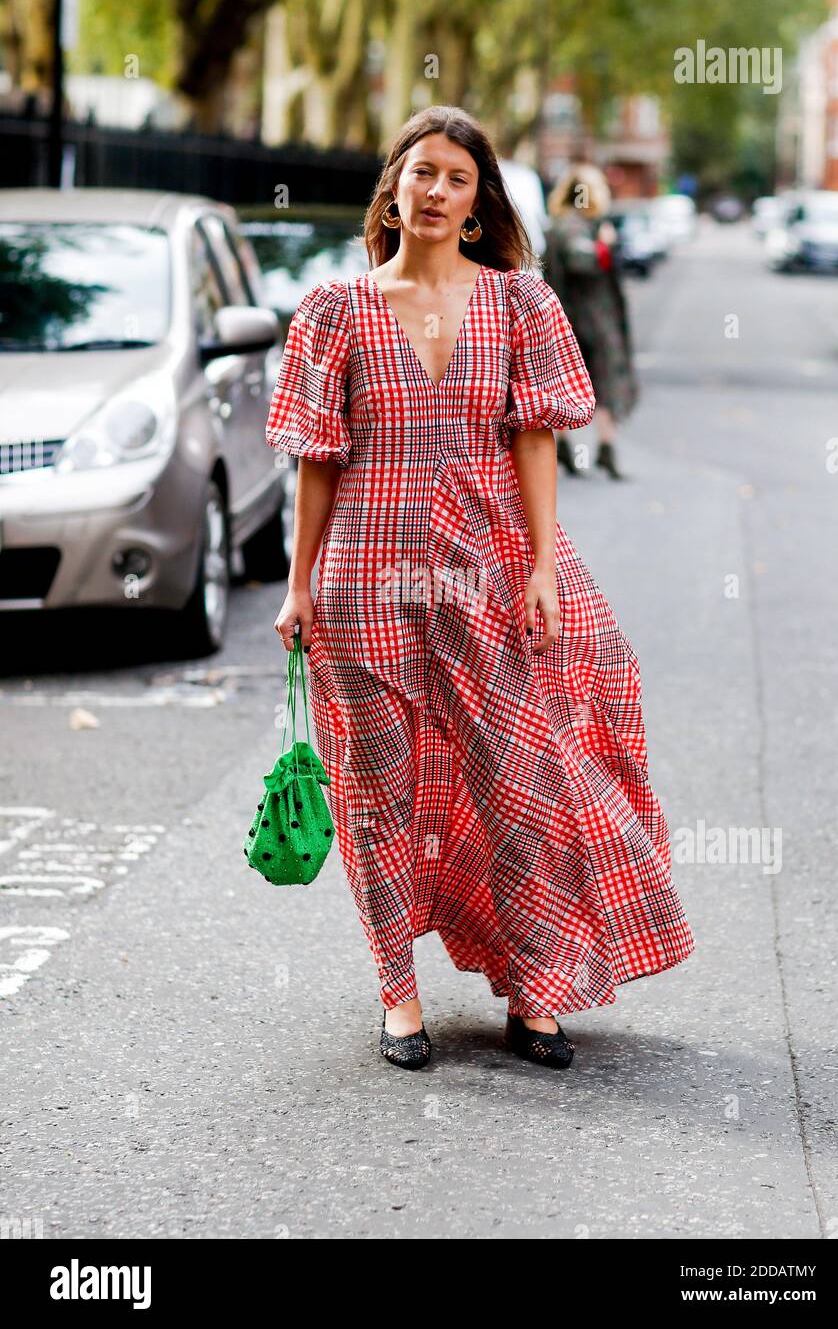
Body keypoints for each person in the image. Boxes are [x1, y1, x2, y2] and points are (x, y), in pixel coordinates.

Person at [266, 106, 694, 1072]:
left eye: (457, 178)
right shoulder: (333, 313)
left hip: (487, 572)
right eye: (421, 171)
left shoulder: (520, 305)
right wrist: (299, 588)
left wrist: (543, 565)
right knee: (376, 790)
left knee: (522, 778)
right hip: (364, 584)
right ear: (394, 187)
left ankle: (538, 989)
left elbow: (535, 439)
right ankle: (399, 995)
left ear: (476, 202)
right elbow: (317, 463)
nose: (435, 190)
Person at [544, 163, 639, 480]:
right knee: (604, 380)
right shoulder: (575, 225)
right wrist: (606, 246)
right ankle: (603, 448)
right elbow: (580, 259)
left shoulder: (561, 223)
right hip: (591, 320)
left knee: (565, 384)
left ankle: (568, 447)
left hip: (568, 318)